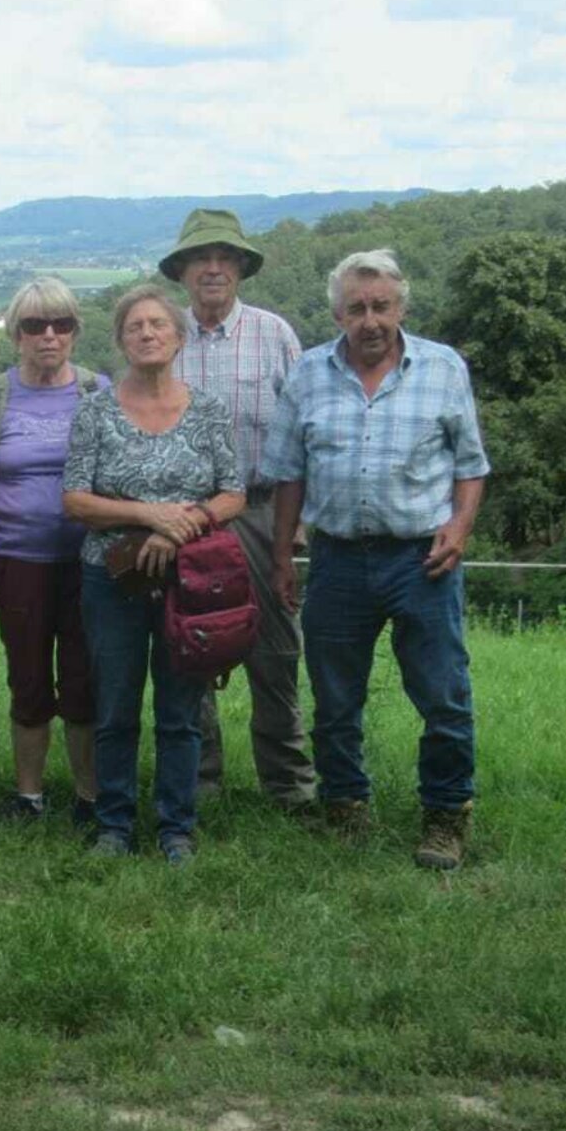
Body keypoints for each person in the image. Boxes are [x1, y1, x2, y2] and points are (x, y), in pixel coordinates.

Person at [267, 249, 490, 870]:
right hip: (337, 560)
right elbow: (288, 474)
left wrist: (460, 527)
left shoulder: (444, 368)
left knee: (442, 693)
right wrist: (284, 555)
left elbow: (471, 466)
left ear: (401, 307)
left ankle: (446, 816)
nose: (370, 320)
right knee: (335, 698)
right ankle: (345, 806)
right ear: (338, 313)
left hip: (423, 560)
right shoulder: (308, 374)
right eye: (357, 308)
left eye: (381, 306)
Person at [62, 285, 244, 863]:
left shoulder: (209, 410)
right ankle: (114, 825)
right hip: (111, 581)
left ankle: (176, 828)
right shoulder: (95, 410)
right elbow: (75, 500)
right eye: (135, 326)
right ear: (120, 339)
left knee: (180, 710)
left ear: (178, 336)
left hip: (189, 581)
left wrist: (180, 527)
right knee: (115, 705)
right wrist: (148, 515)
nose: (147, 333)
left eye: (157, 324)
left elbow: (235, 491)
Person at [161, 209, 314, 808]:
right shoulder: (163, 337)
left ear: (243, 268)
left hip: (264, 511)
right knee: (192, 646)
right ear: (182, 271)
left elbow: (305, 433)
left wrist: (296, 526)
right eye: (201, 258)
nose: (214, 268)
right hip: (188, 521)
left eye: (225, 257)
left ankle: (290, 788)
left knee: (276, 653)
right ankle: (199, 785)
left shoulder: (274, 335)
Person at [0, 276, 106, 828]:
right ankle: (28, 797)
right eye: (34, 325)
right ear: (16, 334)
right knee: (26, 677)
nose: (48, 335)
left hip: (89, 560)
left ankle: (88, 796)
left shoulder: (98, 391)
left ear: (74, 332)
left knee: (82, 678)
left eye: (61, 324)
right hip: (14, 558)